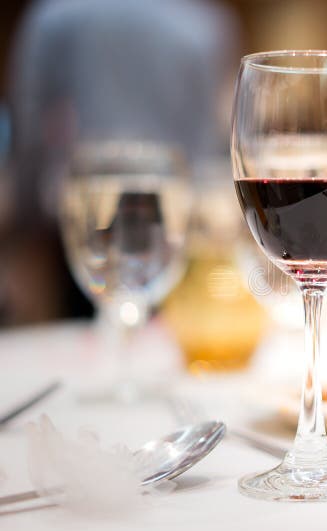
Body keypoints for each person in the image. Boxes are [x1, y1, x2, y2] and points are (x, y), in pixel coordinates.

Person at [3, 0, 239, 324]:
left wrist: (21, 231)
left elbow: (29, 129)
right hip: (170, 216)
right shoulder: (205, 25)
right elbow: (211, 143)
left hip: (83, 217)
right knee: (158, 333)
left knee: (80, 329)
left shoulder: (53, 17)